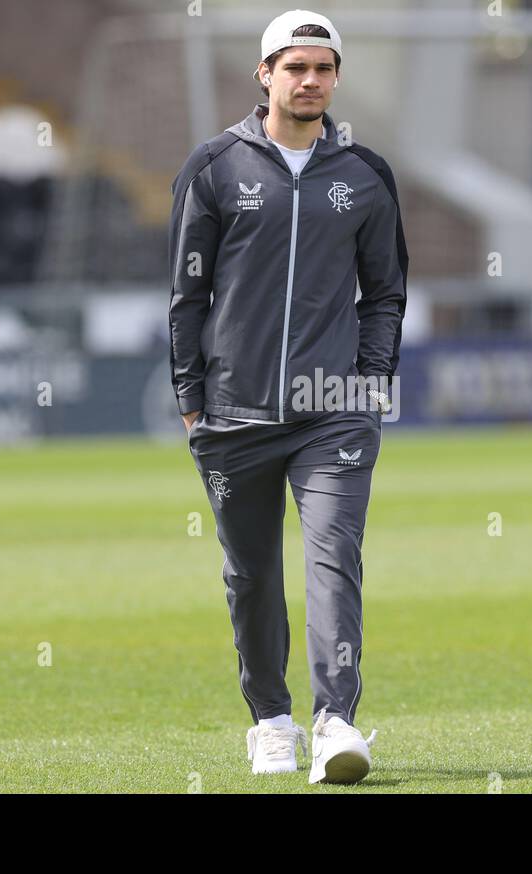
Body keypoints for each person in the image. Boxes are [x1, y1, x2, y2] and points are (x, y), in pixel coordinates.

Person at [167, 8, 408, 784]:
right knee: (250, 575)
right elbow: (185, 294)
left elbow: (386, 292)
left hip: (333, 410)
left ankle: (336, 719)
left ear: (336, 78)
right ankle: (272, 722)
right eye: (294, 67)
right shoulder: (212, 167)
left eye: (323, 68)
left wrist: (370, 380)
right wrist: (189, 393)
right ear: (264, 74)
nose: (309, 80)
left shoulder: (366, 173)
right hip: (232, 413)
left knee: (333, 559)